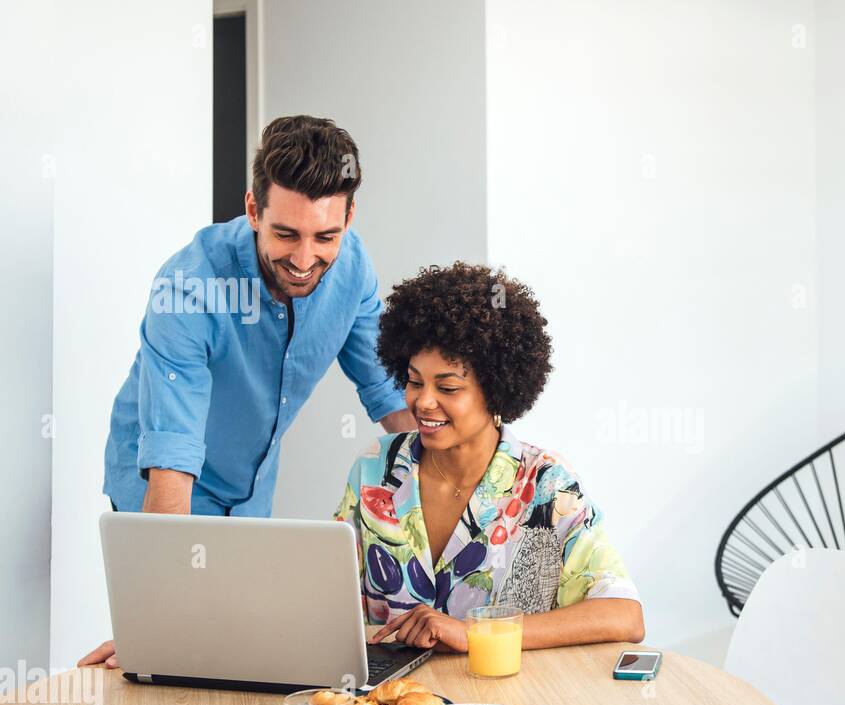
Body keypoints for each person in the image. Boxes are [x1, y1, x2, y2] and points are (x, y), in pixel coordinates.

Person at [80, 115, 415, 670]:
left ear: (349, 218)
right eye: (285, 234)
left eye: (325, 236)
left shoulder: (353, 270)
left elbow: (387, 393)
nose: (305, 259)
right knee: (175, 655)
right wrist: (160, 618)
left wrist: (472, 479)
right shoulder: (189, 289)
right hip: (167, 489)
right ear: (254, 210)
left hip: (252, 484)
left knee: (234, 650)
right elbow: (171, 460)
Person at [337, 261, 645, 651]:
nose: (423, 402)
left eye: (448, 388)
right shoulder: (375, 466)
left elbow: (624, 615)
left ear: (496, 392)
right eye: (415, 382)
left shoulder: (546, 484)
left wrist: (476, 634)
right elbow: (325, 596)